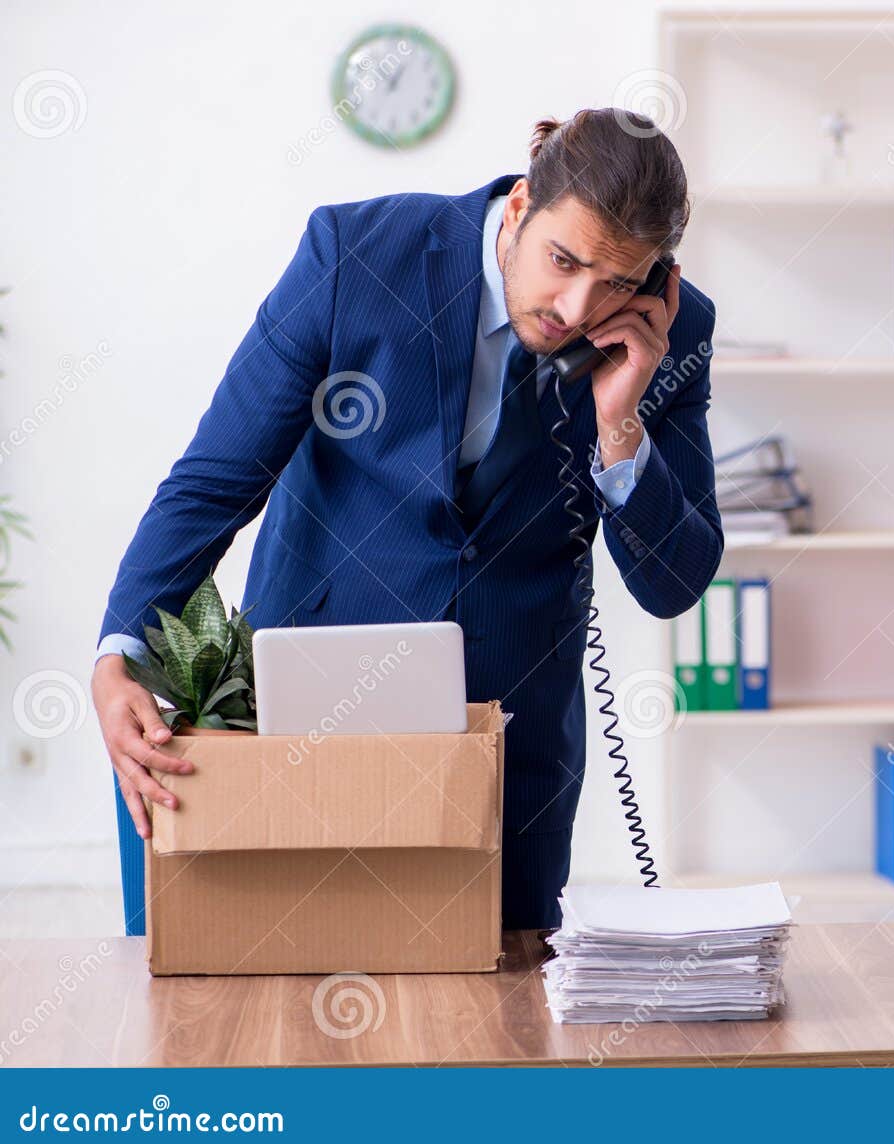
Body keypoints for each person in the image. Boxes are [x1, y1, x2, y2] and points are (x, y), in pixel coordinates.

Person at [91, 108, 722, 933]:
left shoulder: (669, 335)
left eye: (615, 281)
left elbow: (674, 584)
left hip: (510, 742)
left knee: (492, 1030)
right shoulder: (357, 256)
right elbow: (217, 479)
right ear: (523, 204)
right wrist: (119, 651)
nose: (575, 307)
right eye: (563, 262)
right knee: (289, 999)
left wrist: (619, 426)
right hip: (312, 710)